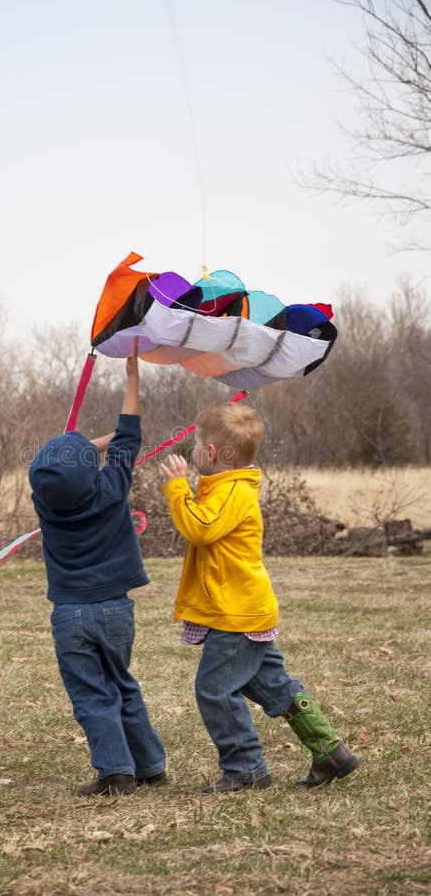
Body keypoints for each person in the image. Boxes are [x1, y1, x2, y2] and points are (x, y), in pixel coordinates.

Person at [160, 400, 359, 793]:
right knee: (273, 686)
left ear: (213, 454)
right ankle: (331, 751)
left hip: (236, 614)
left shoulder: (233, 493)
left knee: (215, 690)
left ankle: (246, 768)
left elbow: (200, 529)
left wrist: (177, 488)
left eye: (196, 443)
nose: (191, 450)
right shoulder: (225, 487)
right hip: (242, 609)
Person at [28, 341, 166, 797]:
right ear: (95, 469)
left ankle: (116, 773)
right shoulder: (111, 489)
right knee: (122, 683)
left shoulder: (45, 501)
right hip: (115, 611)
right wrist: (131, 379)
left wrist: (87, 448)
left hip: (71, 615)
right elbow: (128, 438)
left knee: (93, 695)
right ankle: (148, 765)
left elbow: (57, 466)